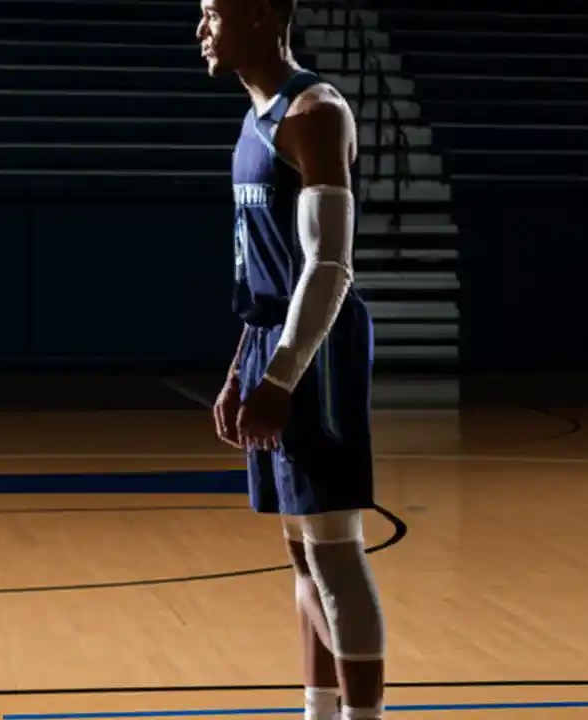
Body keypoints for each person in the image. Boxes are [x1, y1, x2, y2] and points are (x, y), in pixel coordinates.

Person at [196, 1, 385, 719]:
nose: (201, 30)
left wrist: (279, 377)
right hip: (271, 341)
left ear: (257, 15)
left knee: (335, 550)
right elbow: (264, 274)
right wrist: (239, 369)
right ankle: (319, 711)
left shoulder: (314, 113)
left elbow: (330, 266)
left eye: (212, 13)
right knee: (303, 555)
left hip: (317, 352)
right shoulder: (254, 121)